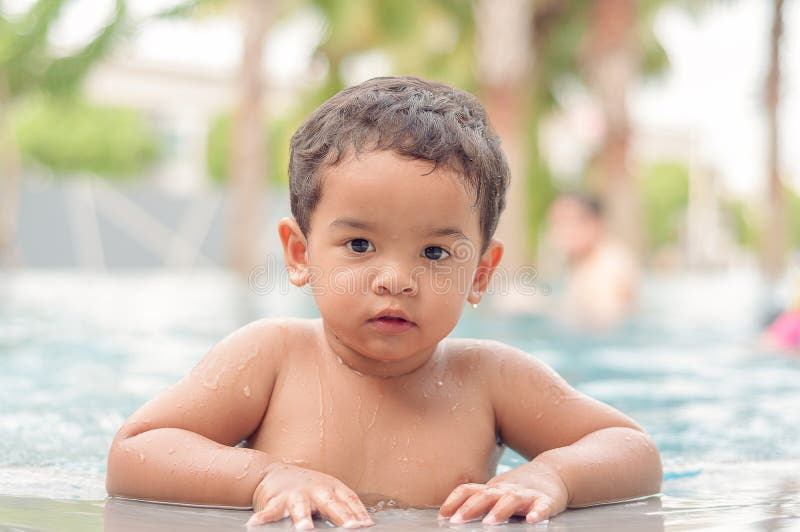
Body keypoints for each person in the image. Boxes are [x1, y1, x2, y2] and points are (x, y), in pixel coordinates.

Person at [105, 77, 662, 529]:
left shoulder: (490, 378)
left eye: (436, 252)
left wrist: (550, 476)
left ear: (481, 273)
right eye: (360, 245)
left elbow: (632, 448)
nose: (396, 279)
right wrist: (263, 478)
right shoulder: (271, 356)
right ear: (299, 254)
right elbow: (135, 454)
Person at [545, 193, 639, 330]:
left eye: (566, 222)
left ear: (595, 223)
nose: (558, 232)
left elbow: (609, 318)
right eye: (555, 223)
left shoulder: (611, 263)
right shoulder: (582, 264)